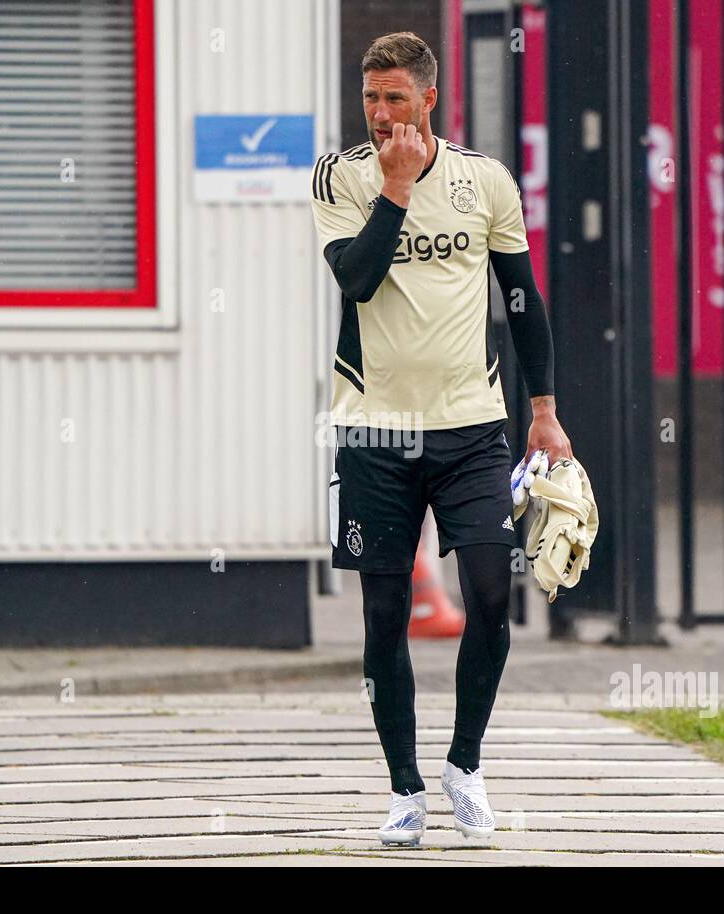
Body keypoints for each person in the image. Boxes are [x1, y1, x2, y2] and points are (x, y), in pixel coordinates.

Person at [311, 31, 572, 845]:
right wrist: (392, 190)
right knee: (384, 617)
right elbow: (356, 279)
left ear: (429, 98)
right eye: (370, 97)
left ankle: (465, 763)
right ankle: (403, 791)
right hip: (374, 431)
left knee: (493, 599)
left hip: (470, 428)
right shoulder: (341, 176)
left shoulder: (484, 181)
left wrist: (545, 410)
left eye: (395, 97)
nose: (381, 113)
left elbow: (522, 299)